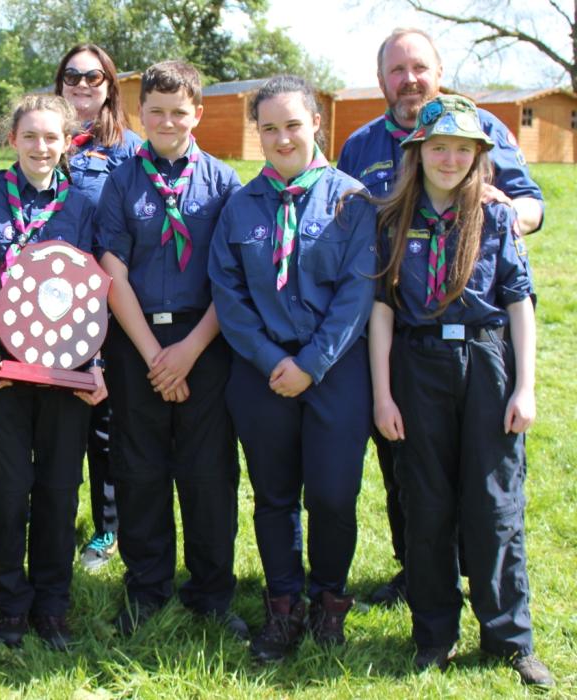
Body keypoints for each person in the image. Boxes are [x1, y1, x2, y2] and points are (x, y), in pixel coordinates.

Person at [337, 27, 546, 607]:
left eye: (419, 67)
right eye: (398, 70)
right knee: (408, 465)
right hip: (400, 334)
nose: (410, 79)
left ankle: (482, 579)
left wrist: (500, 216)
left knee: (484, 472)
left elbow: (531, 200)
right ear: (382, 80)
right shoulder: (359, 145)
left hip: (477, 324)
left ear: (439, 70)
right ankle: (419, 571)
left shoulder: (484, 129)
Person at [367, 94, 554, 688]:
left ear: (479, 156)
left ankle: (508, 637)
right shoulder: (392, 220)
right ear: (417, 154)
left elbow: (519, 302)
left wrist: (524, 387)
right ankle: (435, 633)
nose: (449, 159)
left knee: (494, 504)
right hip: (417, 366)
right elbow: (381, 313)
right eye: (438, 147)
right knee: (426, 503)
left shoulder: (495, 217)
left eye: (462, 149)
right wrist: (383, 395)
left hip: (486, 361)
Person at [209, 76, 376, 662]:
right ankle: (284, 607)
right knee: (274, 496)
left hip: (334, 373)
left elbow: (358, 294)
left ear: (316, 125)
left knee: (332, 495)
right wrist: (272, 359)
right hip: (263, 374)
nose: (283, 138)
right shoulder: (240, 207)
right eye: (270, 128)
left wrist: (310, 363)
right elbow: (229, 296)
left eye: (293, 125)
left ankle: (330, 599)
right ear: (258, 133)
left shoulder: (352, 201)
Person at [95, 61, 245, 640]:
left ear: (197, 114)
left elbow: (229, 279)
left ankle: (211, 591)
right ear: (139, 114)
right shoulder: (121, 181)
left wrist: (187, 352)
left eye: (178, 111)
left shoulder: (224, 183)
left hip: (205, 343)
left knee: (209, 475)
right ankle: (147, 588)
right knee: (140, 470)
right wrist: (157, 355)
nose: (166, 121)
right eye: (154, 111)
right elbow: (113, 270)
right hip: (138, 342)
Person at [0, 93, 104, 651]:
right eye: (30, 137)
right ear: (12, 139)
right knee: (6, 489)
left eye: (51, 137)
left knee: (58, 489)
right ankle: (10, 606)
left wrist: (94, 365)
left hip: (66, 375)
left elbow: (94, 292)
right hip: (6, 371)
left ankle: (52, 605)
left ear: (66, 140)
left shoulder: (83, 204)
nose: (41, 147)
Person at [53, 43, 144, 572]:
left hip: (110, 300)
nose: (83, 85)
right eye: (72, 76)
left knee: (107, 419)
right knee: (59, 416)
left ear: (110, 84)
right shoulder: (47, 138)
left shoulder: (129, 150)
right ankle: (55, 520)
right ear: (59, 82)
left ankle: (107, 529)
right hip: (50, 307)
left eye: (94, 77)